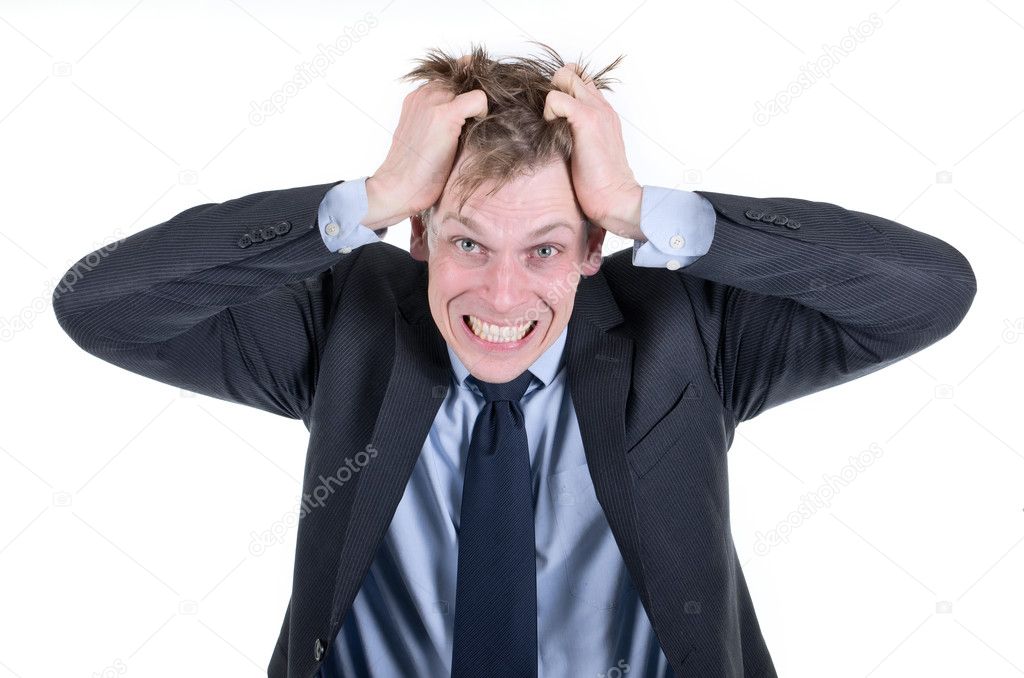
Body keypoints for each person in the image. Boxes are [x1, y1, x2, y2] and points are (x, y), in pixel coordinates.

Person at [53, 41, 976, 678]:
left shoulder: (686, 332)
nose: (499, 299)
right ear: (418, 235)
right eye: (467, 244)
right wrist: (361, 199)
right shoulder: (351, 322)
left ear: (591, 247)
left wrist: (650, 207)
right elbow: (101, 304)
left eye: (543, 248)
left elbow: (926, 290)